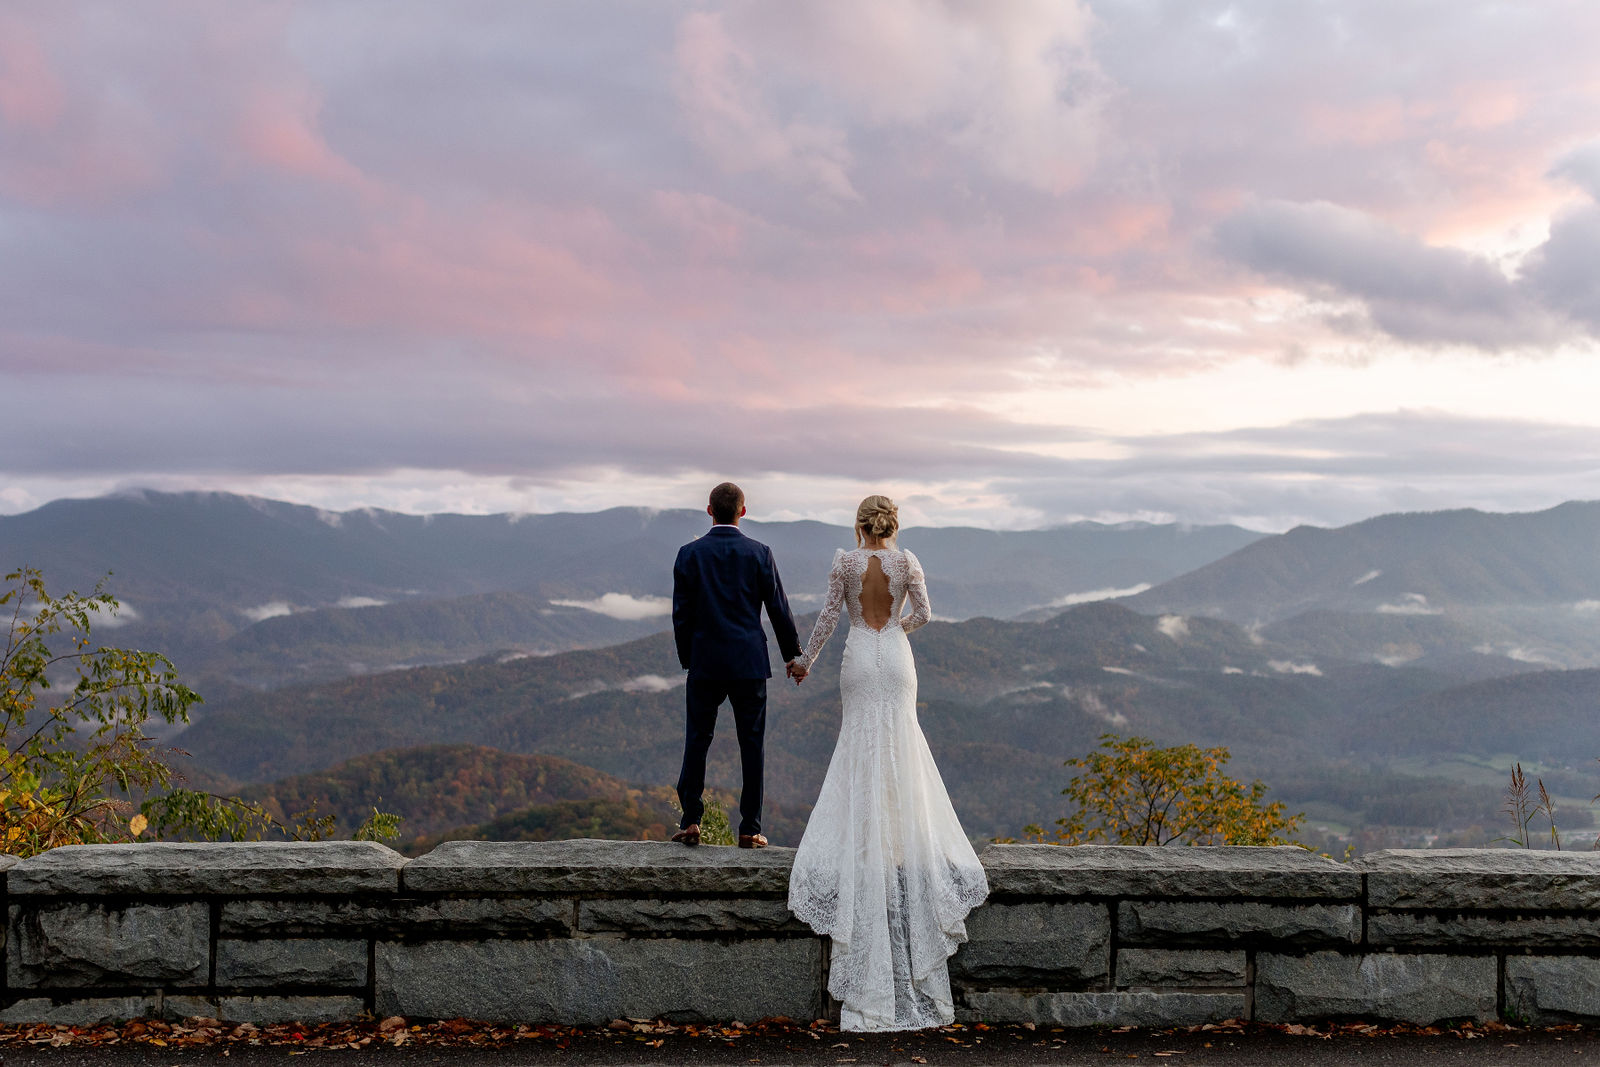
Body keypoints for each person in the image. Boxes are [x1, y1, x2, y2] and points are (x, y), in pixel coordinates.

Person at [785, 495, 989, 1031]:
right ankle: (901, 842)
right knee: (902, 746)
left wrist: (805, 661)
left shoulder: (845, 562)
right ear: (894, 525)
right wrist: (897, 629)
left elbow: (831, 615)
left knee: (859, 748)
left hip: (858, 657)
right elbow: (924, 613)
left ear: (858, 525)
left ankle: (867, 841)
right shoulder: (907, 562)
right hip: (896, 660)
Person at [671, 482, 802, 849]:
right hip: (748, 663)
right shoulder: (759, 553)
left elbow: (681, 615)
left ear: (709, 510)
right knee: (752, 745)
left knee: (697, 740)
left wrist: (689, 659)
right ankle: (749, 828)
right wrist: (793, 656)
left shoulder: (688, 554)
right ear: (743, 512)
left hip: (706, 663)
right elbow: (778, 608)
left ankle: (691, 819)